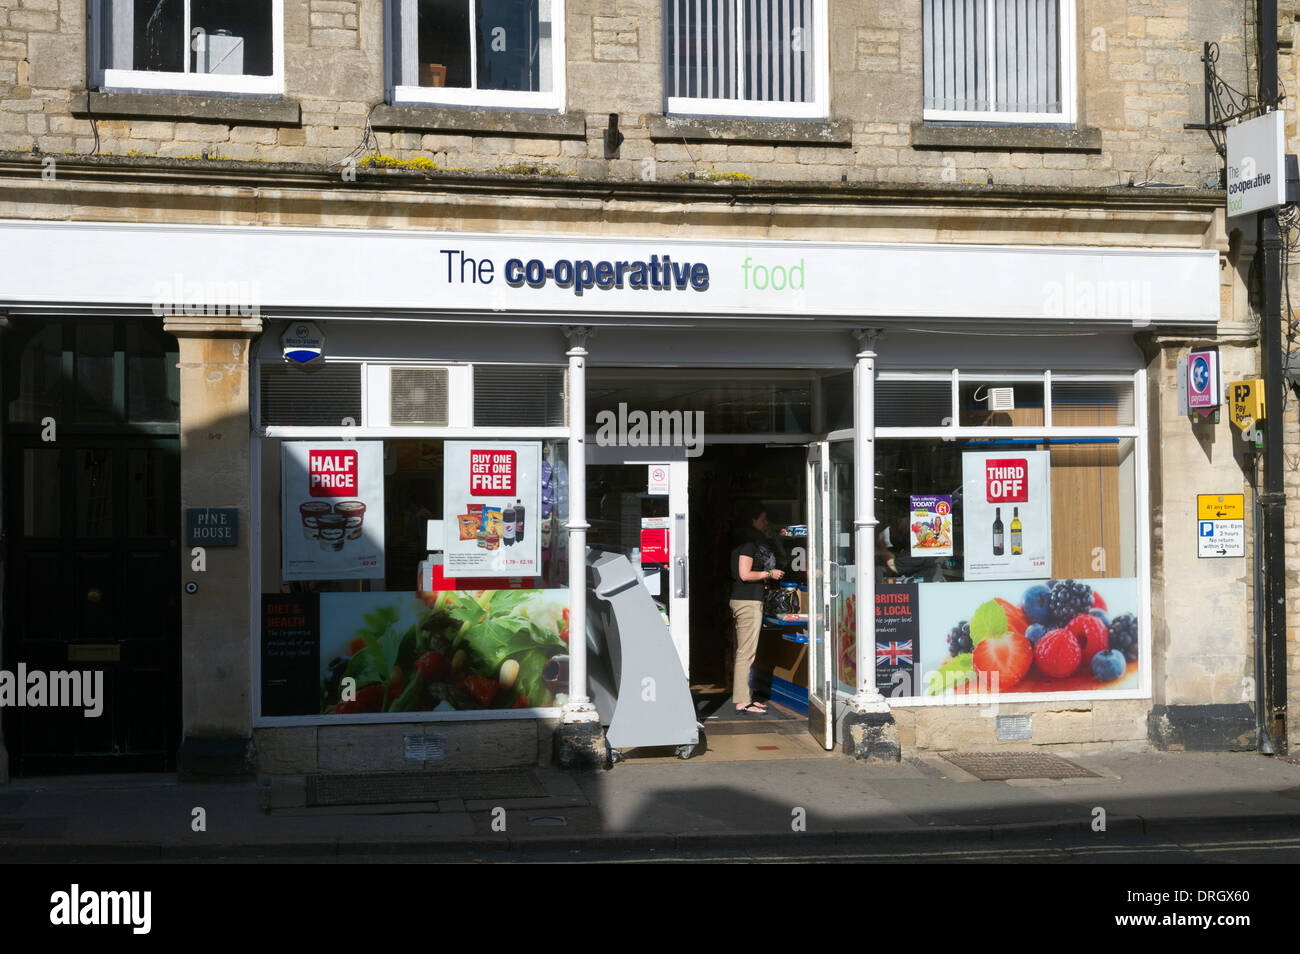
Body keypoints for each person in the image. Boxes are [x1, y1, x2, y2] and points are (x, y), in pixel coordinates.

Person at [729, 504, 784, 714]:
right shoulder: (749, 544)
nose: (765, 523)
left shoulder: (747, 541)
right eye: (762, 519)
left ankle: (747, 697)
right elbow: (745, 574)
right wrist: (769, 574)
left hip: (747, 600)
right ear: (752, 521)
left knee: (747, 651)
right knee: (746, 652)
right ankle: (743, 701)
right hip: (747, 601)